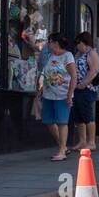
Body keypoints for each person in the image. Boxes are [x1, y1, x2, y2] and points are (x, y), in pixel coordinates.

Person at [38, 33, 76, 162]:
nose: (48, 44)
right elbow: (45, 71)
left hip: (62, 94)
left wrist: (70, 94)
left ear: (55, 43)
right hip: (48, 94)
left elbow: (73, 76)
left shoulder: (67, 56)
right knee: (48, 120)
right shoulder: (51, 56)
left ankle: (61, 150)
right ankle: (62, 144)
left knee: (61, 121)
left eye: (49, 42)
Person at [70, 32, 99, 153]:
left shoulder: (91, 53)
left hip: (87, 89)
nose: (77, 46)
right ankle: (82, 140)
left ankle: (91, 141)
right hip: (76, 88)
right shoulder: (78, 54)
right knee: (78, 116)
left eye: (78, 43)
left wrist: (83, 84)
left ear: (84, 42)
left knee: (87, 115)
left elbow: (94, 71)